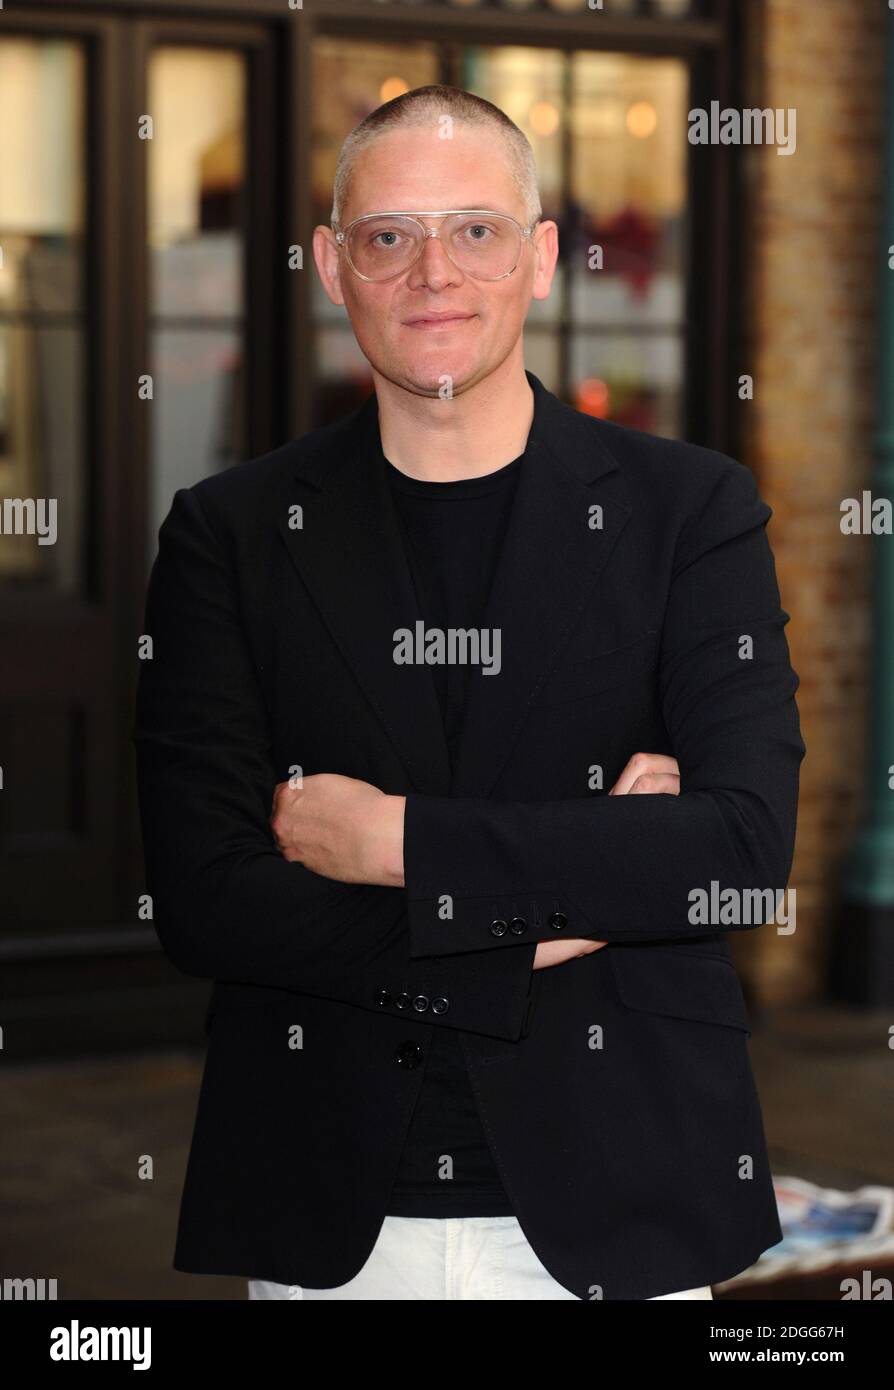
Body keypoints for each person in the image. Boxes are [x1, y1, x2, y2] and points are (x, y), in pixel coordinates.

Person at [133, 85, 805, 1301]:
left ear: (542, 256)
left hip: (624, 1203)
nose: (432, 271)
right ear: (335, 267)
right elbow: (210, 901)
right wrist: (583, 882)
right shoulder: (228, 534)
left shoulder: (690, 513)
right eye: (389, 236)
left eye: (477, 230)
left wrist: (393, 840)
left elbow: (741, 852)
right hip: (332, 1213)